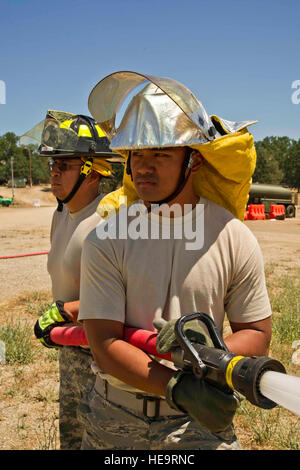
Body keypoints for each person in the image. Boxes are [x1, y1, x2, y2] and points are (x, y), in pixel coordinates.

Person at [77, 72, 272, 450]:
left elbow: (258, 333)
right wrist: (176, 386)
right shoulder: (106, 238)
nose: (144, 166)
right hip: (115, 418)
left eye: (161, 154)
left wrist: (213, 350)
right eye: (136, 154)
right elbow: (103, 340)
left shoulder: (232, 236)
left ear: (193, 161)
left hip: (198, 422)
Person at [22, 110, 123, 449]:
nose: (53, 173)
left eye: (63, 165)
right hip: (71, 350)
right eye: (52, 165)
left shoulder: (106, 222)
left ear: (91, 172)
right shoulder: (61, 214)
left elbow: (120, 297)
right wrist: (60, 318)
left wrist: (63, 312)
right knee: (72, 440)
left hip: (103, 358)